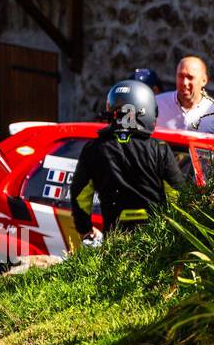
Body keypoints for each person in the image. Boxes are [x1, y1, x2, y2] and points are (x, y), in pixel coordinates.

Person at [70, 80, 190, 241]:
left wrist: (85, 229)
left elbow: (80, 195)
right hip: (154, 243)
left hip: (115, 242)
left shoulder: (94, 149)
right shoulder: (159, 148)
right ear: (145, 110)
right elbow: (177, 194)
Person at [155, 56, 214, 136]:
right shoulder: (157, 103)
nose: (184, 83)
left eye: (190, 77)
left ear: (204, 80)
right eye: (180, 76)